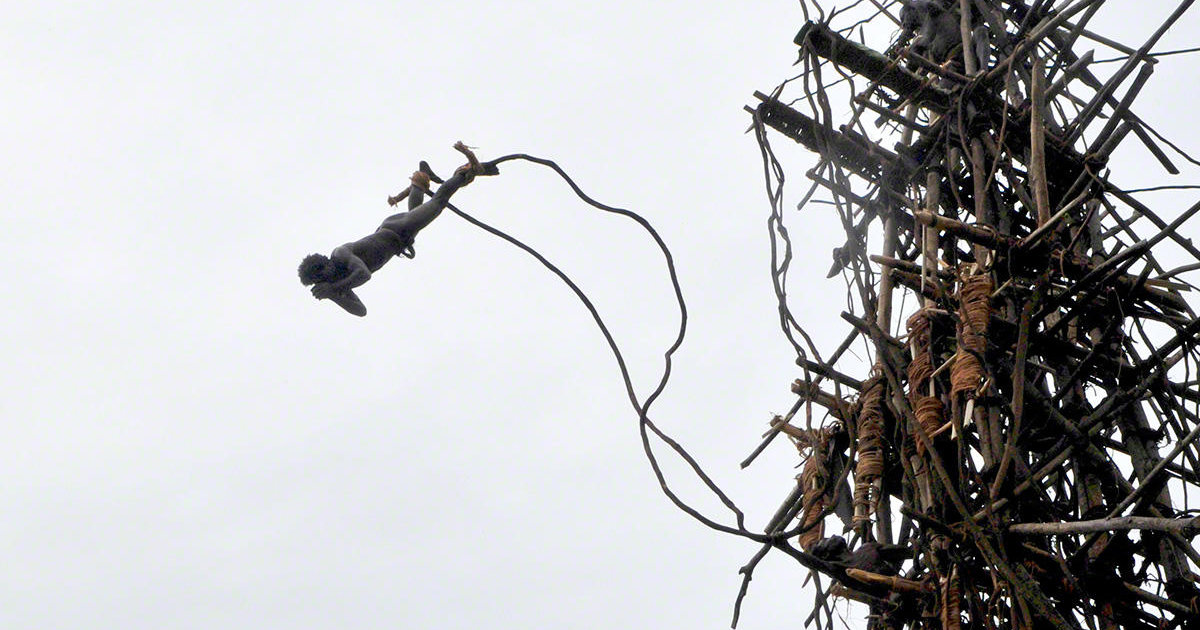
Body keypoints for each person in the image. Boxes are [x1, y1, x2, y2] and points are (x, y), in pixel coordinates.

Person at [298, 144, 497, 316]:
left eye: (324, 275)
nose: (327, 279)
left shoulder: (340, 254)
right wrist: (333, 295)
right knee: (419, 211)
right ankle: (421, 179)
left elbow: (364, 273)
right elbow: (360, 310)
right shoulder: (340, 281)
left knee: (438, 202)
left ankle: (465, 172)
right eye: (322, 280)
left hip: (395, 229)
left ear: (325, 264)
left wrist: (333, 288)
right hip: (401, 238)